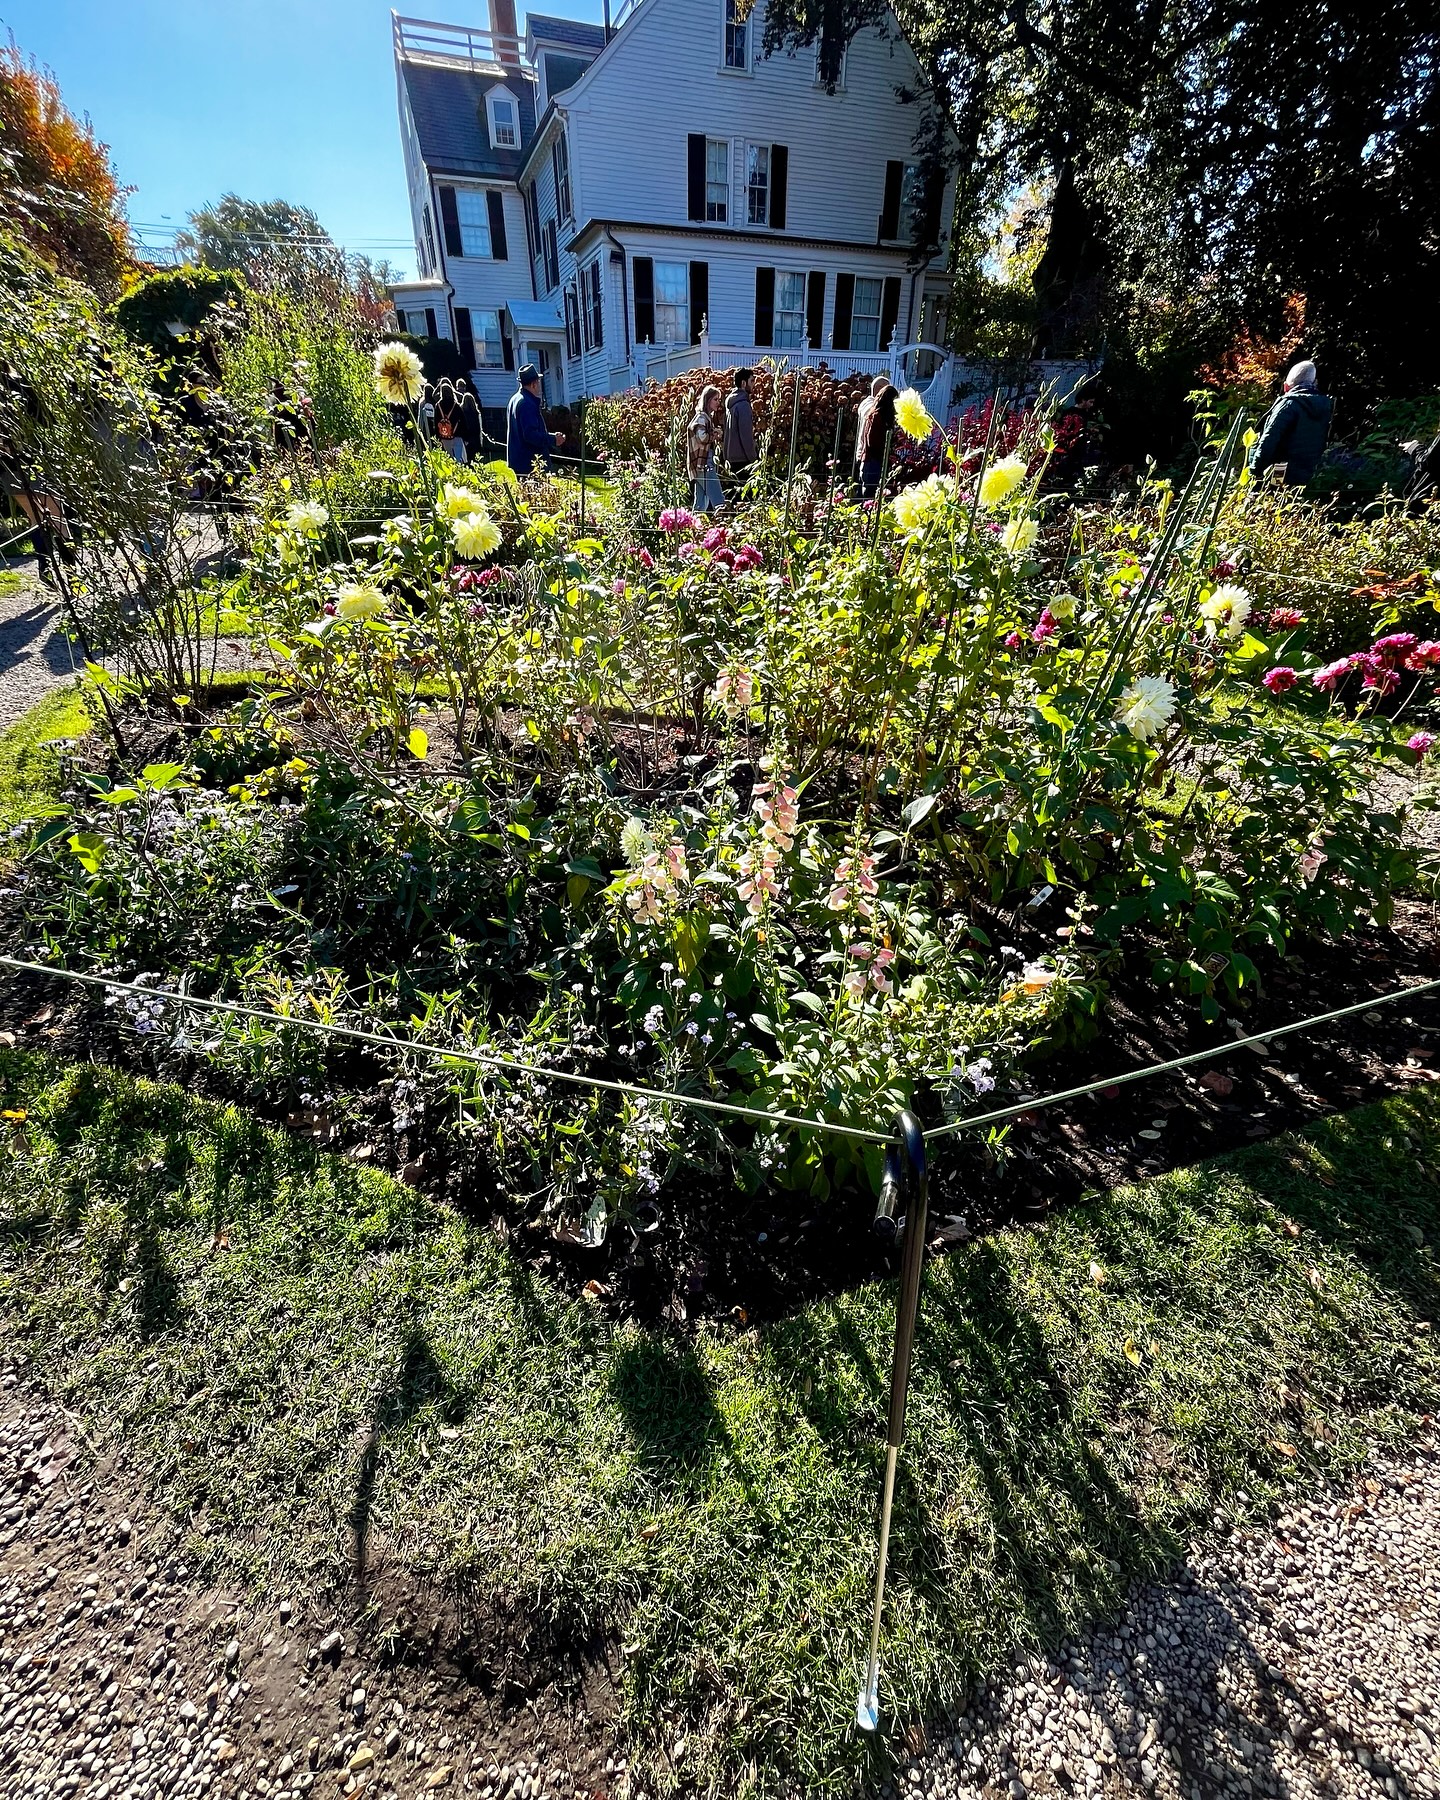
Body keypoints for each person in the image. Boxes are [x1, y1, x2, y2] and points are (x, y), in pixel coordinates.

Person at [1250, 361, 1333, 486]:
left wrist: (1255, 469)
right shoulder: (1324, 405)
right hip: (1305, 473)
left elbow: (1270, 438)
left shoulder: (1288, 404)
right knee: (1288, 501)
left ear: (1286, 387)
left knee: (1271, 500)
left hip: (1279, 469)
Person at [506, 364, 563, 475]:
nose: (540, 386)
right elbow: (530, 435)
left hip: (519, 461)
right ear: (533, 384)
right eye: (538, 382)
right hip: (530, 464)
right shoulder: (527, 404)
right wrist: (553, 439)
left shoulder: (514, 399)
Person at [688, 384, 725, 513]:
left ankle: (691, 528)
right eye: (715, 399)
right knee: (718, 500)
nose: (718, 402)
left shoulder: (705, 417)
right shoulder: (701, 418)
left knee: (700, 504)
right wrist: (714, 435)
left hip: (699, 464)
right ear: (707, 400)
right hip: (703, 463)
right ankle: (724, 525)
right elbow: (702, 437)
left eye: (719, 399)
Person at [858, 382, 897, 498]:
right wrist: (886, 448)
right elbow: (872, 441)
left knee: (871, 494)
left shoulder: (879, 415)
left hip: (872, 460)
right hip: (872, 461)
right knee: (869, 495)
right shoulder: (877, 416)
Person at [723, 367, 757, 484]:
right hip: (743, 459)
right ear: (743, 383)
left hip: (731, 457)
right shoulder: (743, 405)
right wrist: (753, 459)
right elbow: (745, 435)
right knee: (744, 499)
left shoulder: (731, 404)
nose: (754, 384)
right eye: (751, 381)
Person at [854, 374, 889, 475]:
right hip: (868, 456)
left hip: (866, 455)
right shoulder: (869, 405)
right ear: (880, 389)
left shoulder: (866, 403)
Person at [432, 380, 467, 462]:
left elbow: (436, 421)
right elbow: (463, 420)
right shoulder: (456, 405)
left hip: (444, 436)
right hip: (457, 434)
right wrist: (465, 436)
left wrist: (438, 436)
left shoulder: (438, 405)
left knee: (448, 458)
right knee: (458, 458)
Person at [456, 378, 483, 463]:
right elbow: (478, 427)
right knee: (474, 458)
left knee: (466, 457)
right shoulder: (476, 413)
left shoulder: (462, 411)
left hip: (466, 438)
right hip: (475, 438)